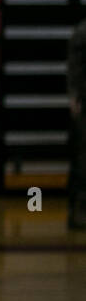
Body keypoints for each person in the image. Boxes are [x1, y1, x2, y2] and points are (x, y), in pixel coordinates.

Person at [67, 18, 86, 231]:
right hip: (84, 103)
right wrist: (73, 96)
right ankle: (78, 209)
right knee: (82, 158)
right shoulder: (82, 32)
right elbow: (74, 68)